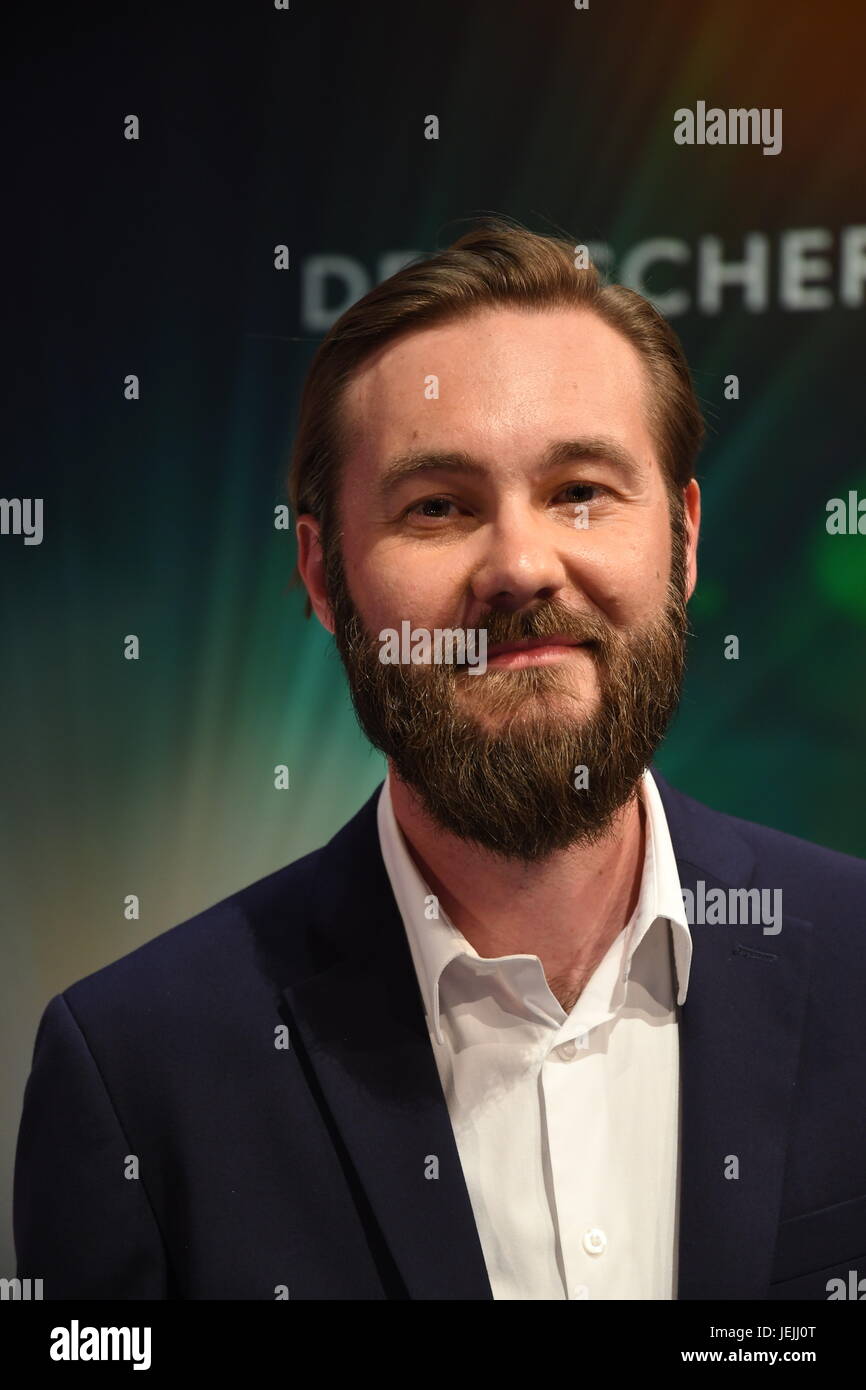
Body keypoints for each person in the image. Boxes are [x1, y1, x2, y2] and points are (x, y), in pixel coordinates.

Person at [14, 220, 866, 1300]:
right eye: (437, 507)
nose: (518, 564)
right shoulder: (141, 1074)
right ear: (323, 577)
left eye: (579, 491)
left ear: (683, 543)